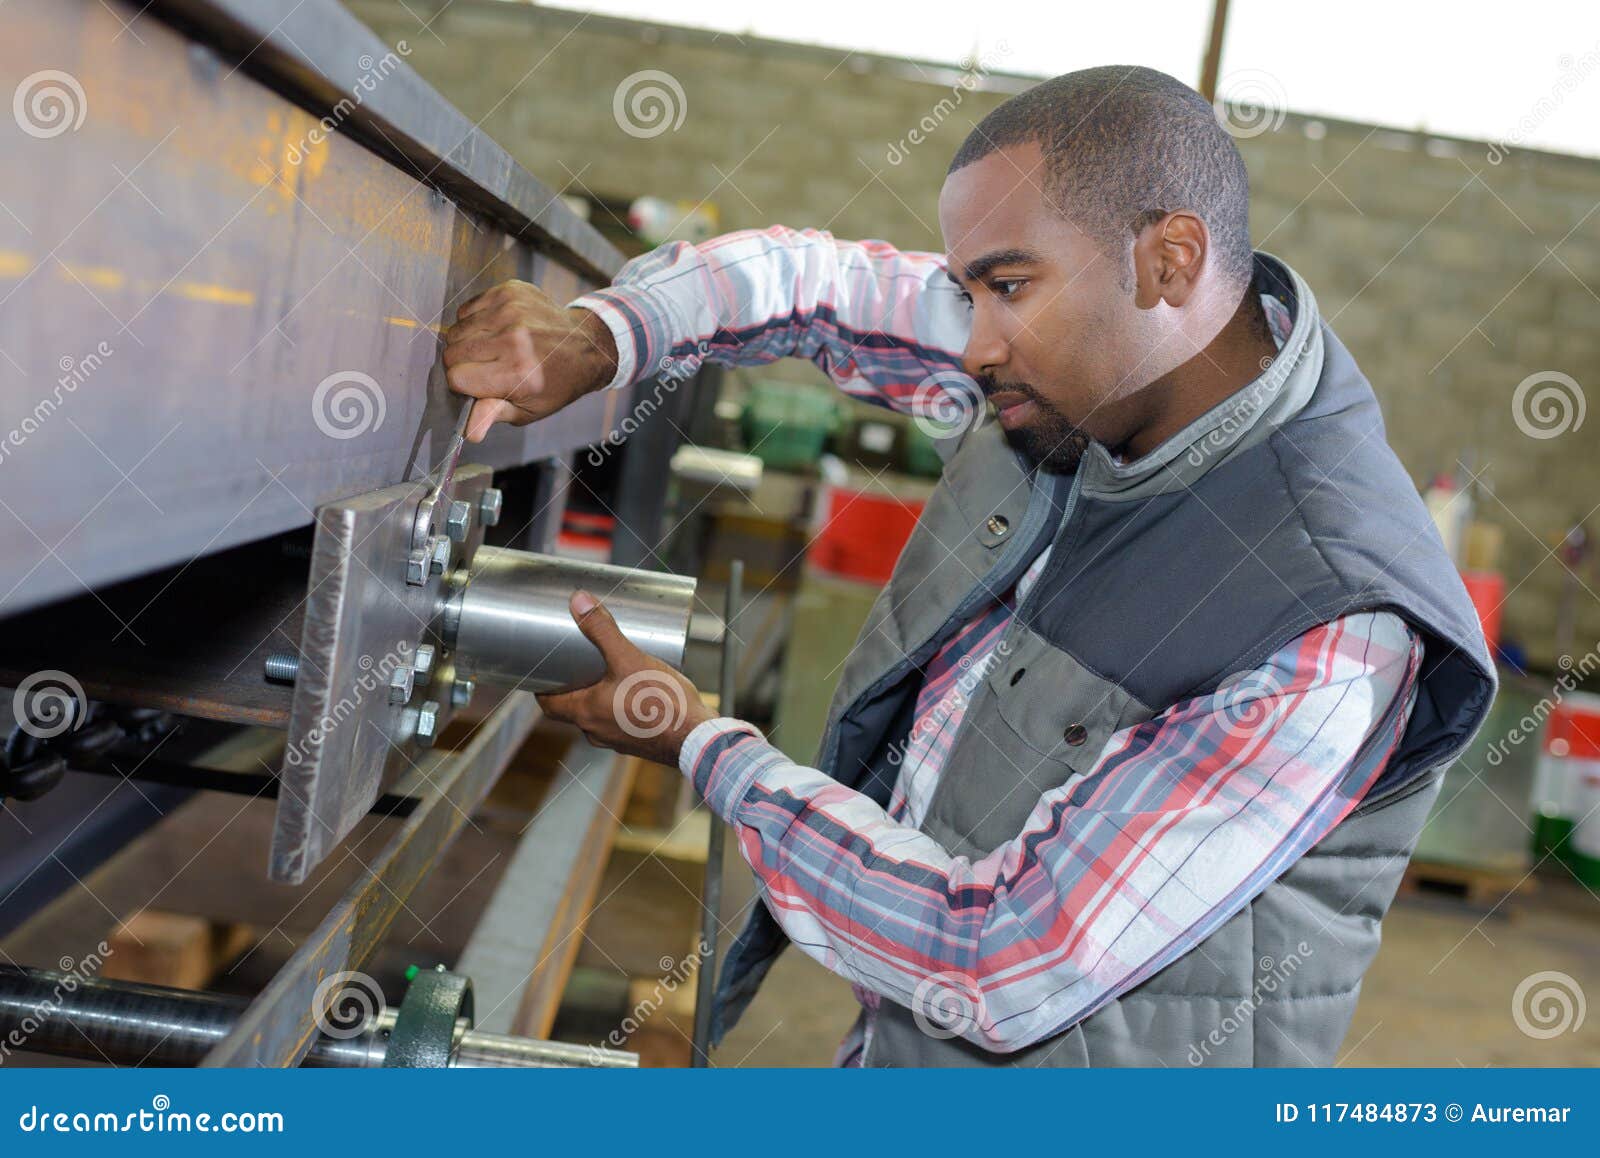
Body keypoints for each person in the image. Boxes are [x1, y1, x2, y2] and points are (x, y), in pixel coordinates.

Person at [440, 66, 1494, 1067]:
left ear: (1167, 260)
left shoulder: (1327, 619)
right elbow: (812, 284)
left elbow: (990, 960)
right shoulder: (1099, 375)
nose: (975, 347)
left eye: (1008, 288)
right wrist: (609, 334)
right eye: (967, 292)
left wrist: (703, 745)